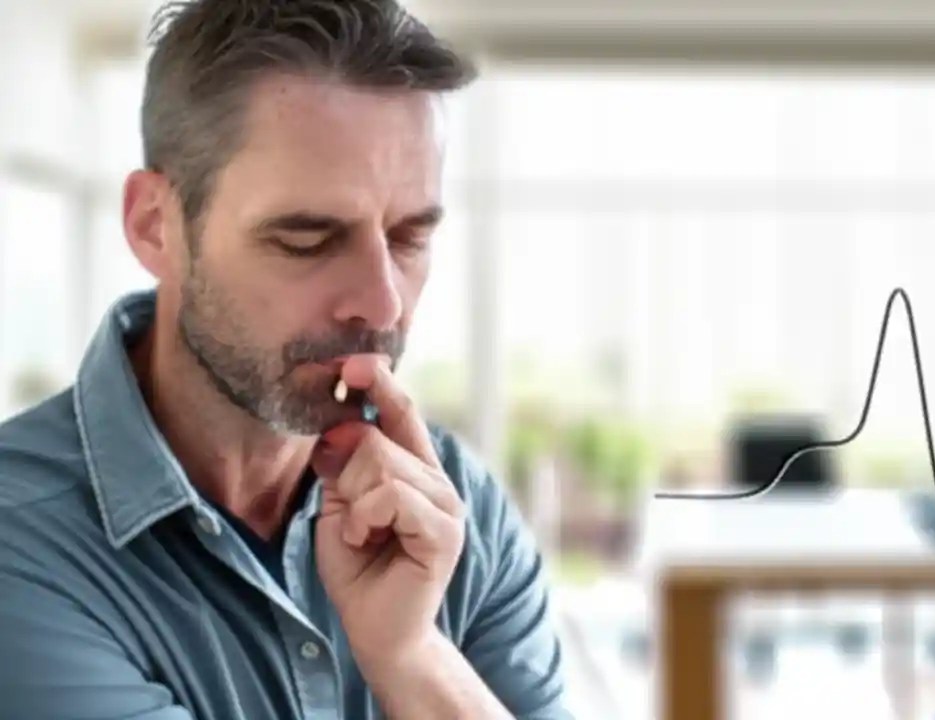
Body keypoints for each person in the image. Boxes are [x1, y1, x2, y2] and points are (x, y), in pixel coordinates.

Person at [0, 1, 570, 718]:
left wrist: (411, 655)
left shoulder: (460, 510)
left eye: (408, 238)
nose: (383, 305)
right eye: (306, 240)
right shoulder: (18, 541)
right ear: (155, 226)